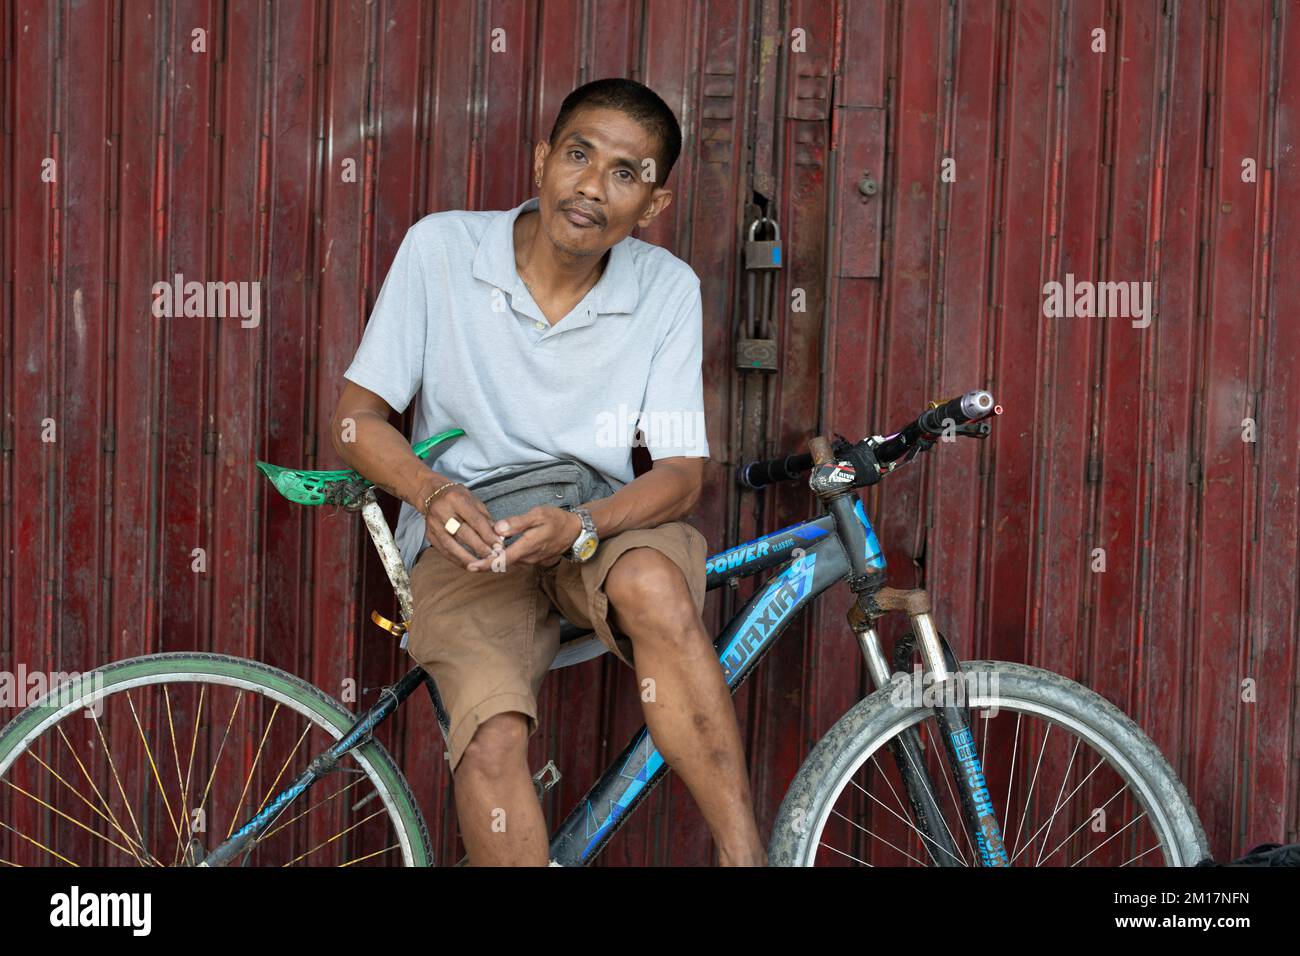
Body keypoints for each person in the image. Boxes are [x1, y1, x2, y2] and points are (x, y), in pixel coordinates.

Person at [331, 77, 766, 866]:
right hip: (468, 537)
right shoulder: (442, 250)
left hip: (594, 522)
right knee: (491, 734)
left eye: (627, 173)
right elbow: (356, 421)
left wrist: (587, 525)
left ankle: (747, 858)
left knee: (656, 587)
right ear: (542, 161)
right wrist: (431, 492)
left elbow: (680, 473)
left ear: (653, 205)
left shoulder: (667, 290)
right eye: (579, 155)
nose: (593, 187)